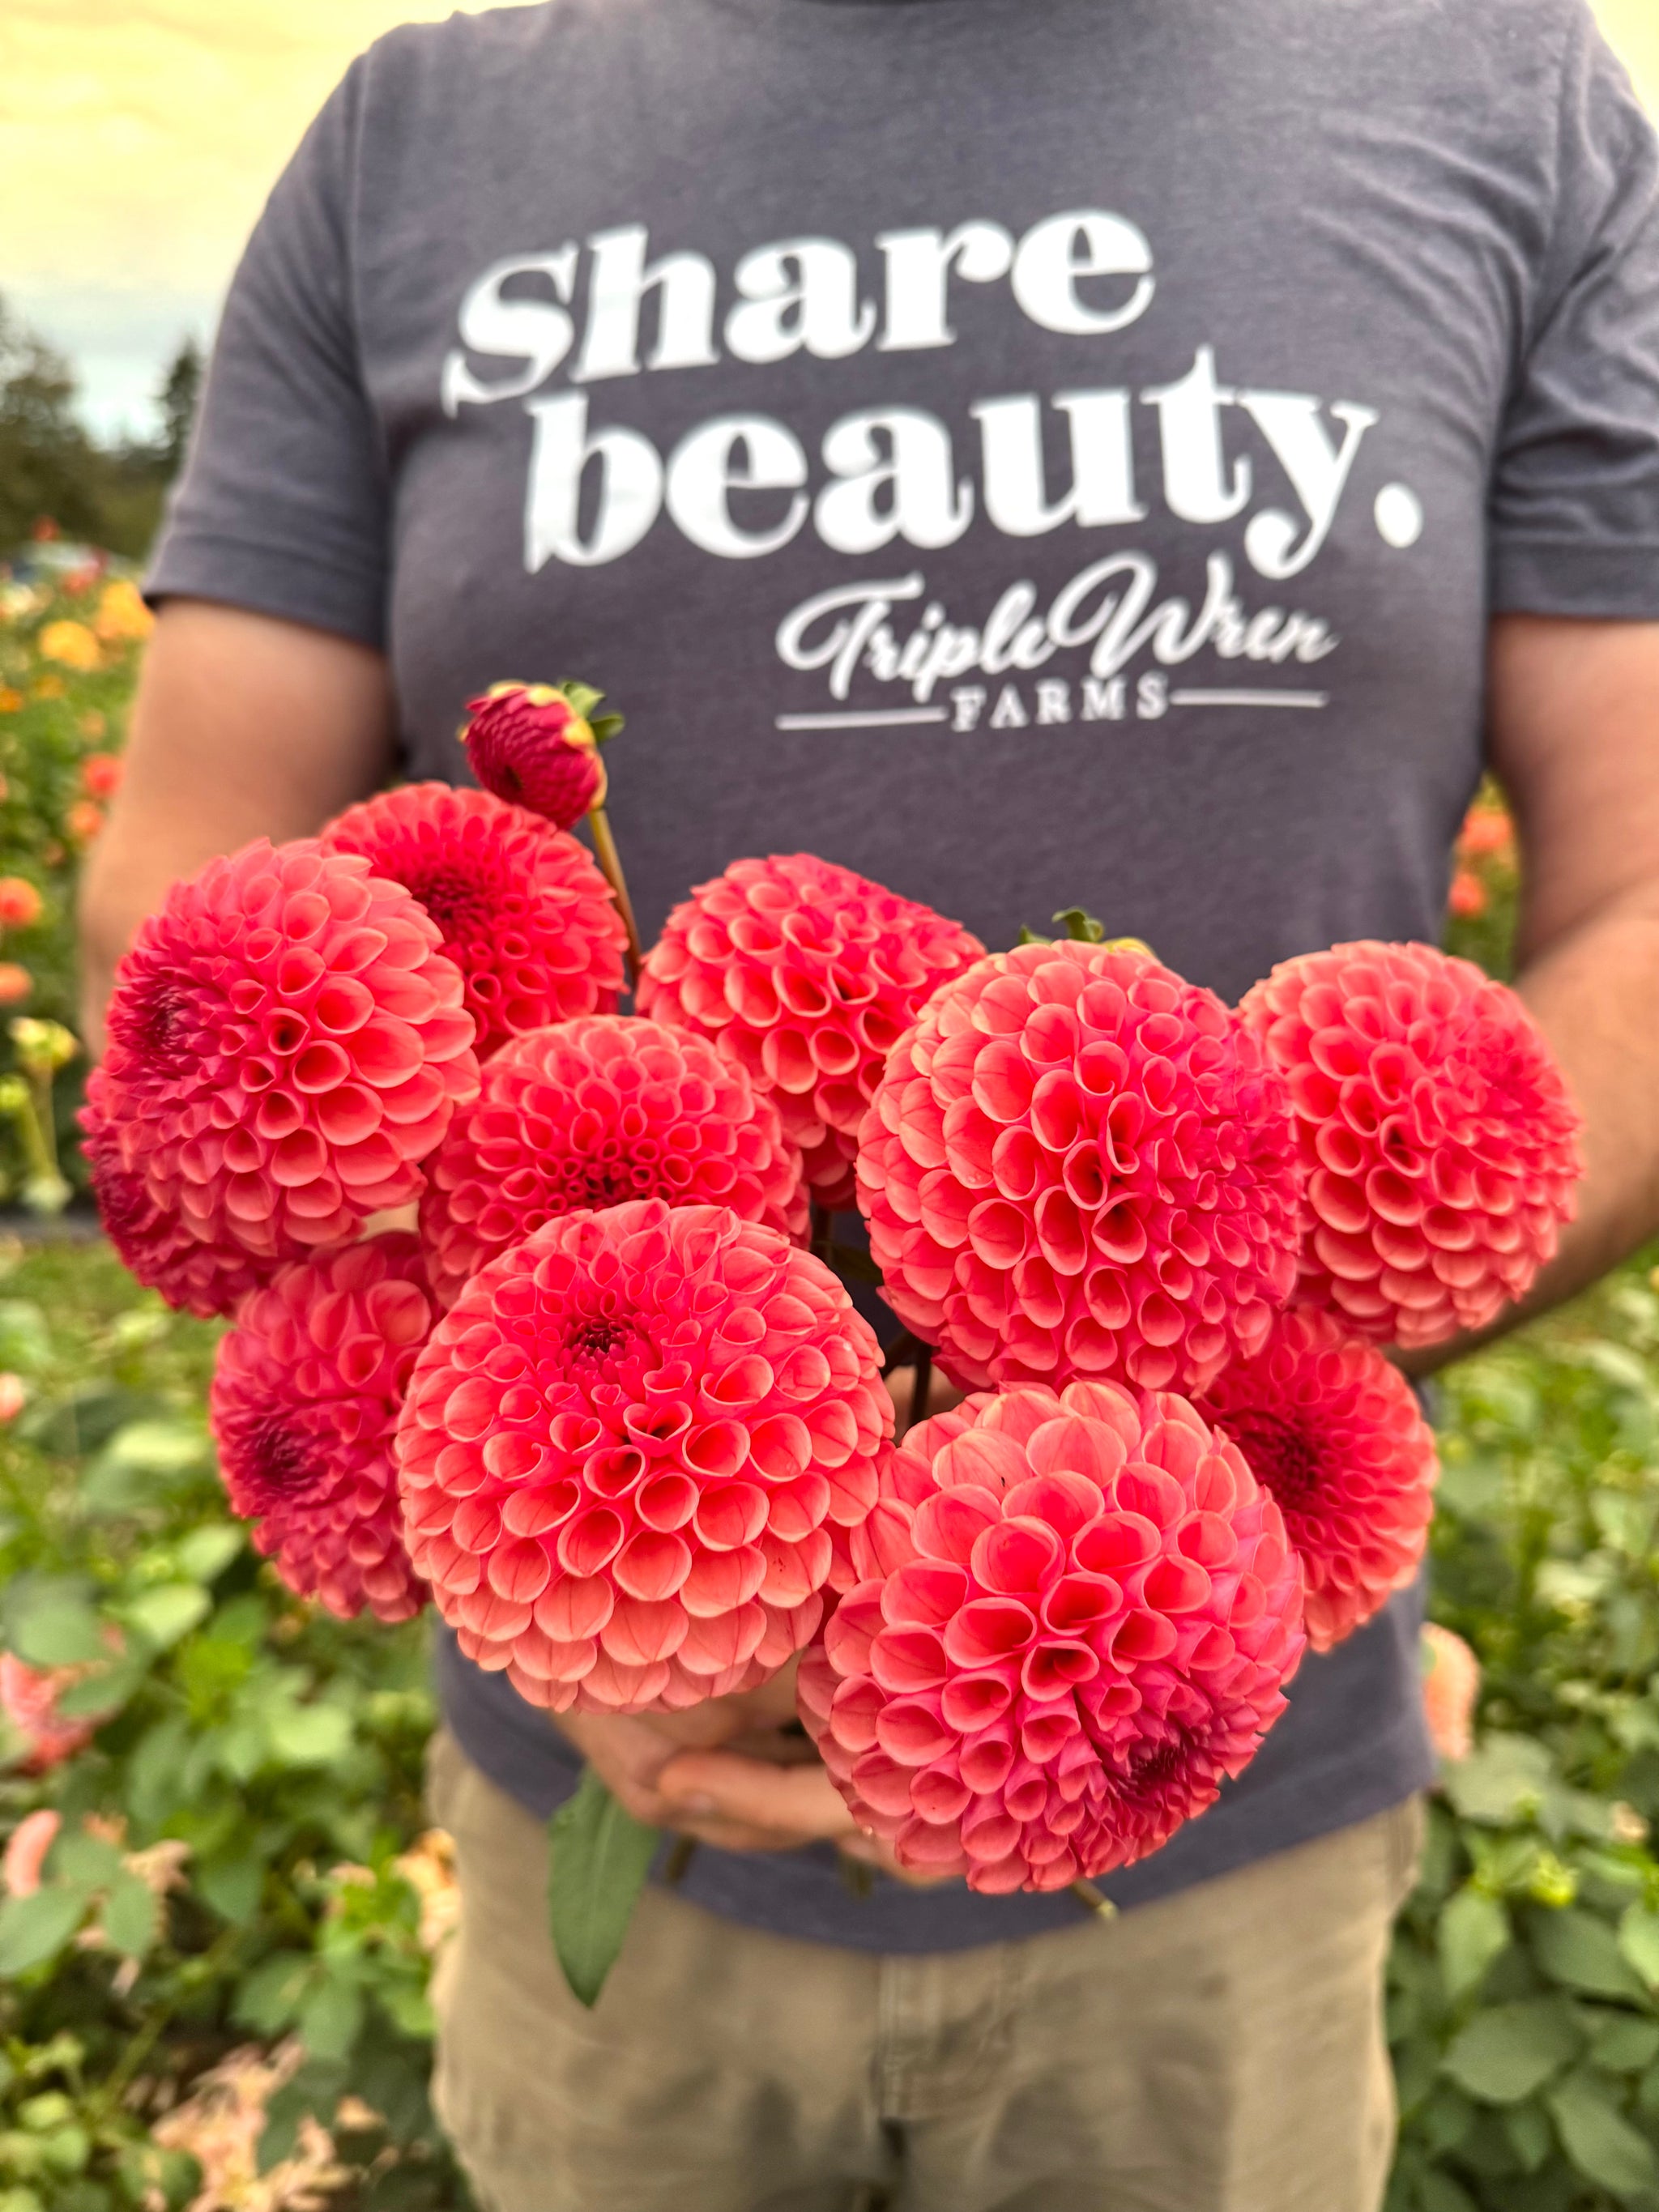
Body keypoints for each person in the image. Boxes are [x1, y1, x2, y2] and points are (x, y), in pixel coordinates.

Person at [80, 0, 1659, 2205]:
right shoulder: (418, 133)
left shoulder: (1505, 94)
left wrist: (1236, 1379)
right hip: (597, 1809)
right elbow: (181, 890)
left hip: (1217, 1802)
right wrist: (596, 1563)